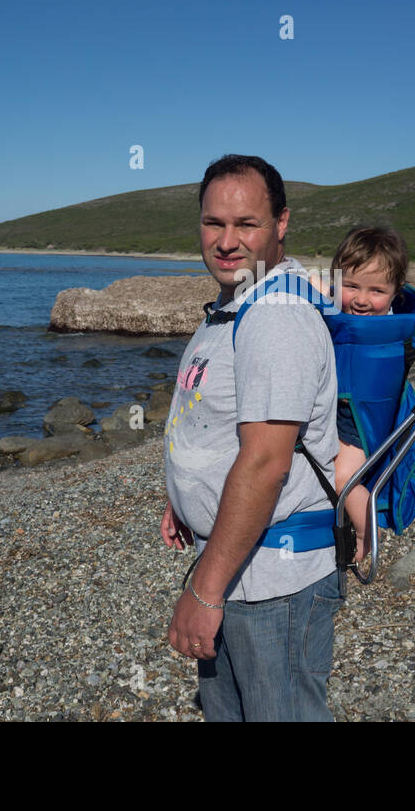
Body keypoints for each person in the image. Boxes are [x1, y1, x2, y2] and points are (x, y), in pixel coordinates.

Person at [160, 154, 343, 722]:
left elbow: (266, 464)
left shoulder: (275, 318)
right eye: (214, 223)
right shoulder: (233, 302)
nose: (227, 241)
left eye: (247, 225)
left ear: (281, 225)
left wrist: (204, 593)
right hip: (238, 562)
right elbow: (216, 420)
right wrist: (185, 493)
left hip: (271, 581)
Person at [325, 226, 409, 563]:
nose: (361, 300)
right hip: (336, 406)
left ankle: (366, 530)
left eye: (376, 290)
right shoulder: (333, 307)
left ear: (394, 293)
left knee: (341, 476)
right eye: (351, 286)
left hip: (357, 416)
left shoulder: (385, 327)